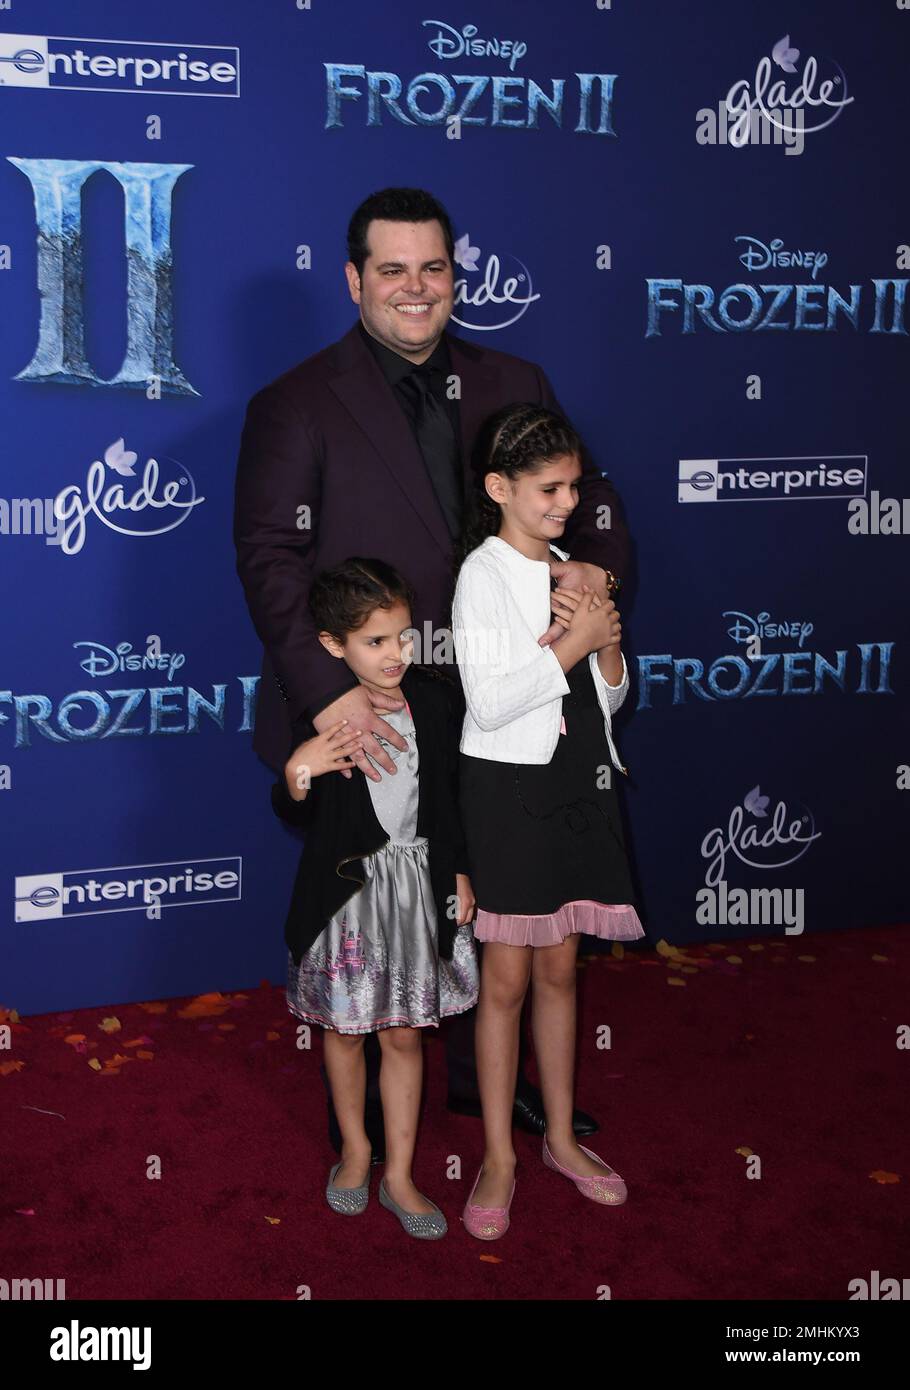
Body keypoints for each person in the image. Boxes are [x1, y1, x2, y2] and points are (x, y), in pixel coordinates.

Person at [234, 186, 631, 1160]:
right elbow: (268, 561)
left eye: (434, 268)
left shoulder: (514, 374)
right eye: (393, 269)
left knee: (481, 896)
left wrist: (590, 567)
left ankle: (476, 1091)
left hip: (505, 701)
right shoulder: (294, 402)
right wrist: (329, 699)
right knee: (371, 896)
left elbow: (590, 502)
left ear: (457, 273)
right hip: (368, 702)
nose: (416, 288)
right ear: (353, 278)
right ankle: (363, 1111)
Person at [451, 403, 646, 1240]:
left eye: (571, 486)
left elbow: (607, 701)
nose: (565, 504)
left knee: (563, 972)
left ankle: (561, 1138)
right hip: (507, 792)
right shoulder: (480, 576)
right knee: (505, 982)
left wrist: (603, 646)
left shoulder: (576, 569)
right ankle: (498, 1152)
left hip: (579, 783)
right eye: (546, 489)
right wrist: (574, 641)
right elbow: (491, 704)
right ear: (500, 488)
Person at [271, 557, 479, 1239]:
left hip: (419, 887)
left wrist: (459, 874)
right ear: (333, 645)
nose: (397, 654)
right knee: (343, 1029)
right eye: (376, 641)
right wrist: (301, 770)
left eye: (404, 636)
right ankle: (356, 1152)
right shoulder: (317, 706)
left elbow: (450, 801)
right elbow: (297, 811)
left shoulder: (437, 699)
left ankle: (401, 1174)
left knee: (403, 1034)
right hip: (348, 899)